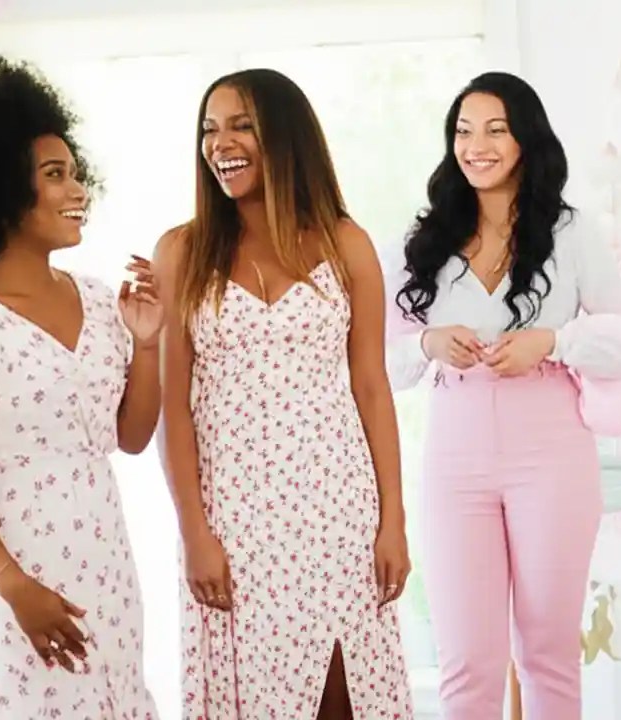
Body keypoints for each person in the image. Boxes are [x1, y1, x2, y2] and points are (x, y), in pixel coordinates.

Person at [0, 56, 161, 717]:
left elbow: (129, 438)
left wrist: (149, 342)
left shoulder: (102, 303)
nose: (78, 189)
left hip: (110, 567)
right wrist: (15, 587)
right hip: (23, 573)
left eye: (75, 173)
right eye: (54, 175)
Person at [388, 71, 621, 719]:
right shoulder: (422, 242)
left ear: (526, 140)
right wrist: (427, 345)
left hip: (551, 453)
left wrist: (555, 342)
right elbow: (382, 363)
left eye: (495, 130)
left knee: (547, 653)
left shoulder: (571, 232)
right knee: (465, 661)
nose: (476, 145)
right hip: (455, 459)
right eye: (463, 131)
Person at [154, 68, 413, 719]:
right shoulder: (182, 251)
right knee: (254, 695)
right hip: (234, 516)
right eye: (211, 129)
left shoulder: (344, 243)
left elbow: (373, 389)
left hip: (336, 508)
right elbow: (174, 410)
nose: (222, 143)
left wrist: (393, 520)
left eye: (242, 125)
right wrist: (194, 532)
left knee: (340, 694)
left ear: (286, 136)